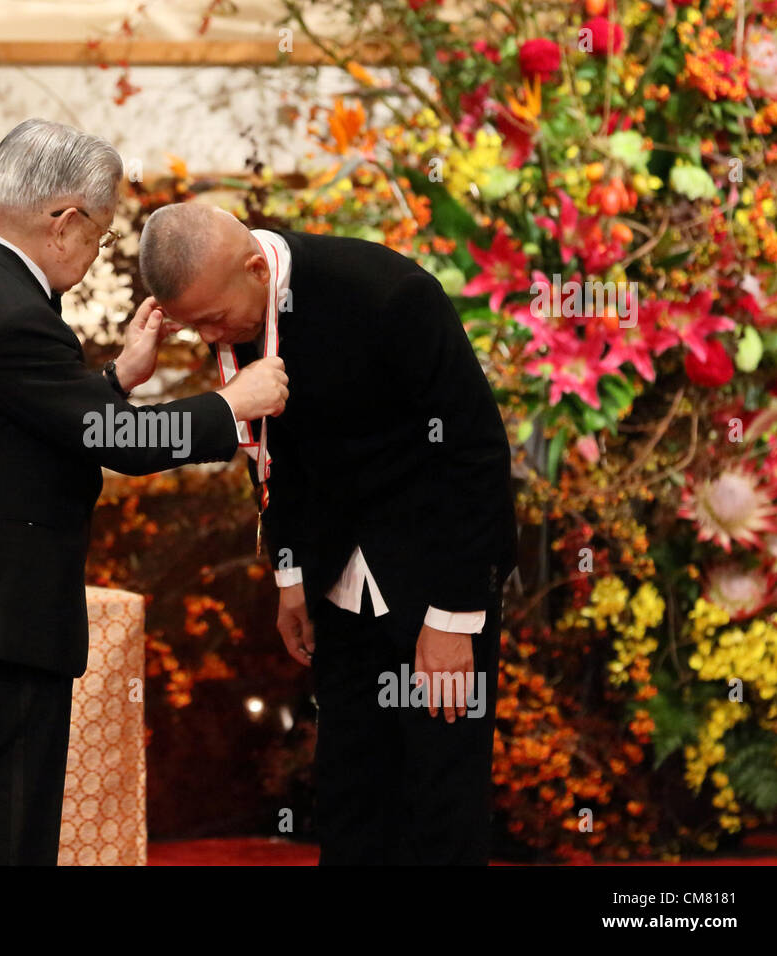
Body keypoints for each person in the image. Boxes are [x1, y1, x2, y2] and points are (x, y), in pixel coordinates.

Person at [0, 119, 289, 865]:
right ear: (65, 222)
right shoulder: (13, 314)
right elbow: (119, 443)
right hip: (0, 623)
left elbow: (29, 422)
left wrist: (116, 379)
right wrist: (232, 405)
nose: (96, 252)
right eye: (100, 235)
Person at [139, 202, 518, 865]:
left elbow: (477, 455)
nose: (208, 338)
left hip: (435, 586)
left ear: (257, 269)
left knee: (441, 804)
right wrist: (291, 576)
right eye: (193, 326)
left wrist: (455, 615)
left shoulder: (390, 293)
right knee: (348, 799)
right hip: (336, 586)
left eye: (211, 319)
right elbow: (278, 452)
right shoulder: (238, 311)